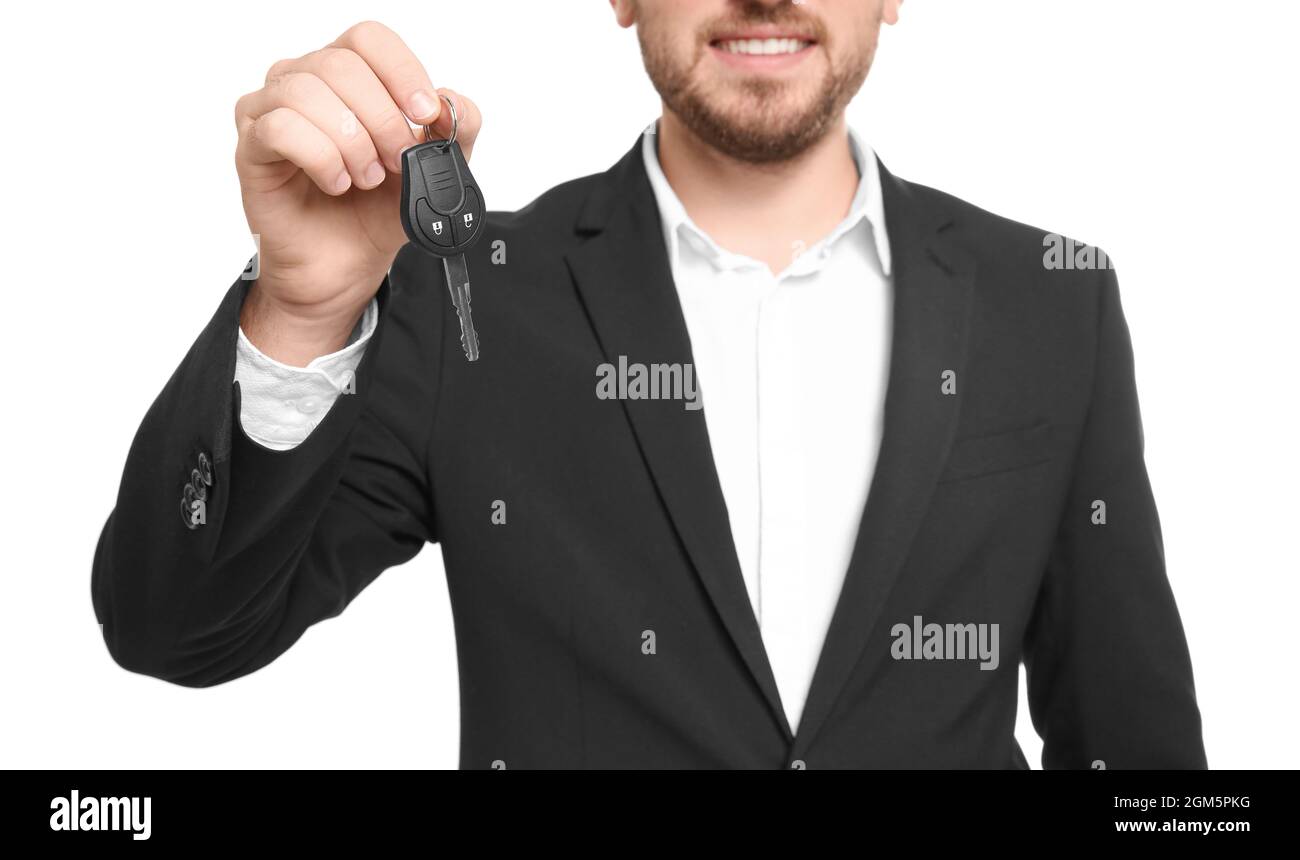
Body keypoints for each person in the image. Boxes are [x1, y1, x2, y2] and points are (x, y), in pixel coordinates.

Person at [92, 1, 1206, 769]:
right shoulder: (468, 303)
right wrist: (302, 312)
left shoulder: (1052, 300)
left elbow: (1136, 746)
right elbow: (176, 630)